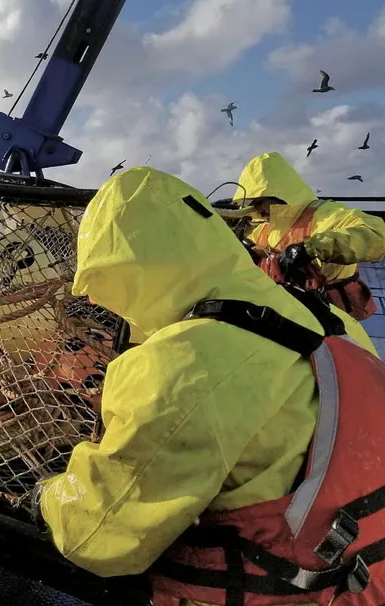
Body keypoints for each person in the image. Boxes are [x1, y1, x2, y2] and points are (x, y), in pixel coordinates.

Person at [35, 166, 385, 606]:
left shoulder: (185, 360)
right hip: (370, 571)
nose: (92, 301)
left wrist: (48, 498)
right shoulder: (322, 315)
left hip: (300, 593)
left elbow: (101, 535)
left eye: (98, 285)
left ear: (128, 268)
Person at [234, 152, 385, 321]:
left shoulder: (326, 215)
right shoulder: (263, 228)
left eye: (261, 201)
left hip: (332, 318)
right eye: (252, 204)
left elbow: (377, 234)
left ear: (279, 194)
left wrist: (311, 248)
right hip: (285, 316)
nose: (257, 210)